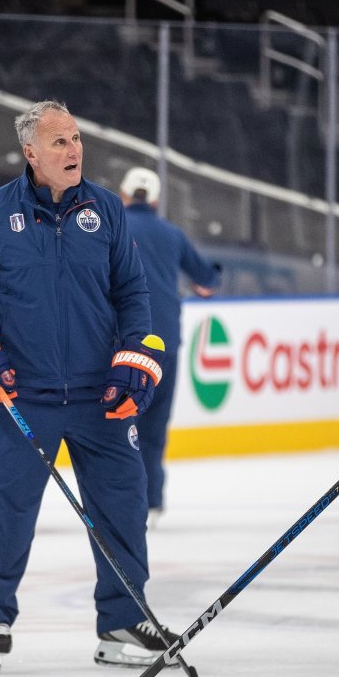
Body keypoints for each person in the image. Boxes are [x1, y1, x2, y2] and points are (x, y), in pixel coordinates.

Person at [0, 100, 175, 672]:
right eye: (60, 143)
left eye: (75, 139)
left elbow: (132, 294)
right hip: (26, 396)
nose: (74, 151)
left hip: (103, 398)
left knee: (123, 505)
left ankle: (122, 618)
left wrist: (135, 356)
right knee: (8, 510)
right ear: (30, 154)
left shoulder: (107, 209)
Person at [119, 166, 221, 527]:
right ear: (158, 198)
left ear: (125, 194)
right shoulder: (172, 234)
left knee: (119, 421)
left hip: (121, 343)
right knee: (154, 424)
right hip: (164, 341)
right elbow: (207, 281)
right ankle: (153, 500)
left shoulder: (110, 227)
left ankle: (121, 499)